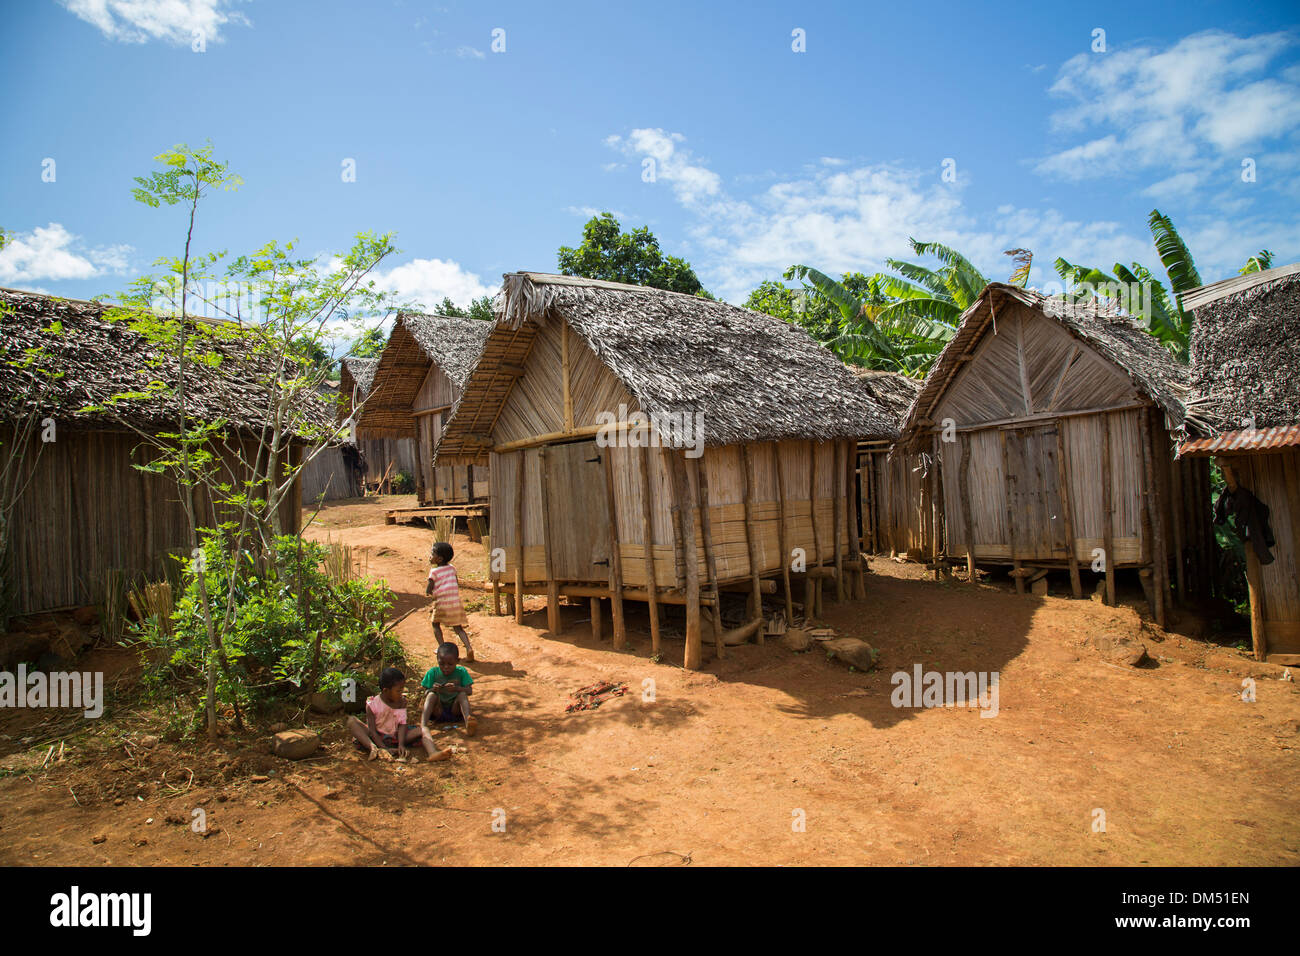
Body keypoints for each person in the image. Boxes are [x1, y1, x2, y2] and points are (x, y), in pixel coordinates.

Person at [346, 666, 451, 762]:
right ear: (386, 690)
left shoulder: (401, 702)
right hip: (377, 736)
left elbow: (402, 724)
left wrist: (401, 744)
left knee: (424, 729)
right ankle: (373, 748)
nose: (401, 693)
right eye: (398, 690)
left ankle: (432, 753)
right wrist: (384, 748)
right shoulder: (372, 704)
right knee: (351, 721)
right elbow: (372, 730)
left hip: (396, 736)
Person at [426, 540, 474, 661]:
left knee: (435, 624)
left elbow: (429, 589)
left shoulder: (433, 572)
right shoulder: (452, 568)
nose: (429, 556)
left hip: (441, 603)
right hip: (454, 602)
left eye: (432, 554)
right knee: (458, 628)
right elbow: (456, 583)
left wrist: (430, 594)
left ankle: (442, 649)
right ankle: (468, 648)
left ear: (439, 559)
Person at [421, 643, 477, 736]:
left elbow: (469, 691)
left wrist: (457, 688)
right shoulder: (432, 672)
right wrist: (433, 689)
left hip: (455, 710)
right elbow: (425, 693)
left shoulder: (461, 672)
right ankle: (423, 726)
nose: (445, 667)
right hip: (438, 710)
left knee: (462, 694)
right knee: (431, 696)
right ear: (437, 660)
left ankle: (468, 721)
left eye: (450, 664)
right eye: (441, 664)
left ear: (457, 661)